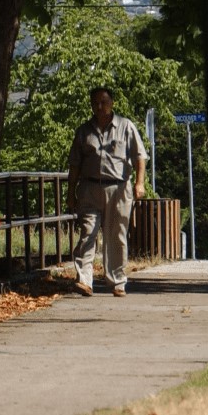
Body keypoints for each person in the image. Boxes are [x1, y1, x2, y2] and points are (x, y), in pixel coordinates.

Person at [67, 86, 148, 297]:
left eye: (103, 102)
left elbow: (140, 157)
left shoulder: (126, 126)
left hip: (119, 188)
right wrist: (70, 193)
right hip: (89, 188)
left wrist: (140, 184)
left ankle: (117, 281)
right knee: (88, 233)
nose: (99, 107)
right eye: (95, 103)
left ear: (112, 103)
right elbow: (74, 164)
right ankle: (84, 280)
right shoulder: (83, 131)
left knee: (116, 236)